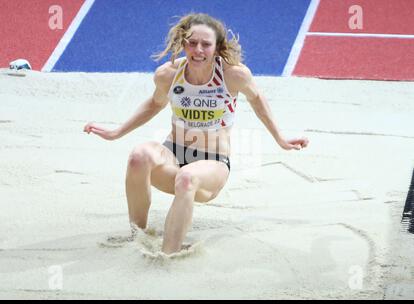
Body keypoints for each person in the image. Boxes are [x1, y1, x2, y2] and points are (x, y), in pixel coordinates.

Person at [84, 13, 309, 254]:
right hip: (173, 155)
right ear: (183, 44)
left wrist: (280, 139)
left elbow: (257, 99)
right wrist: (116, 132)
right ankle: (137, 235)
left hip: (212, 165)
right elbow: (154, 104)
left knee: (187, 178)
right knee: (138, 156)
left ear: (217, 47)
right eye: (192, 43)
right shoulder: (167, 75)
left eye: (206, 44)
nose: (198, 50)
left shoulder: (234, 75)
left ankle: (168, 255)